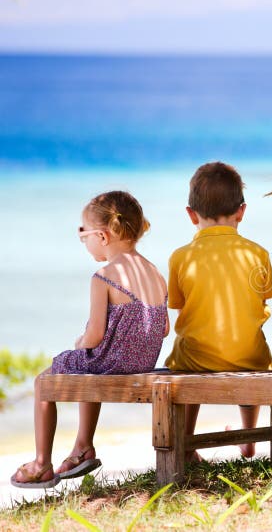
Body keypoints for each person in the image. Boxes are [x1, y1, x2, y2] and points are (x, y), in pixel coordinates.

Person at [11, 191, 169, 489]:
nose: (83, 242)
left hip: (113, 363)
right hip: (144, 362)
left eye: (83, 234)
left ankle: (40, 464)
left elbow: (95, 335)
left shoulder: (104, 276)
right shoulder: (154, 273)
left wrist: (80, 341)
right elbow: (163, 329)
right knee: (88, 363)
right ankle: (82, 446)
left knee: (45, 382)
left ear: (103, 236)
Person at [166, 161, 272, 460]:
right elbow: (261, 304)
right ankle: (249, 439)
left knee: (187, 352)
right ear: (241, 211)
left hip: (196, 359)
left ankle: (187, 441)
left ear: (191, 215)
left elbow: (180, 310)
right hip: (249, 358)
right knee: (253, 346)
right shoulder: (257, 254)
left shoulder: (180, 257)